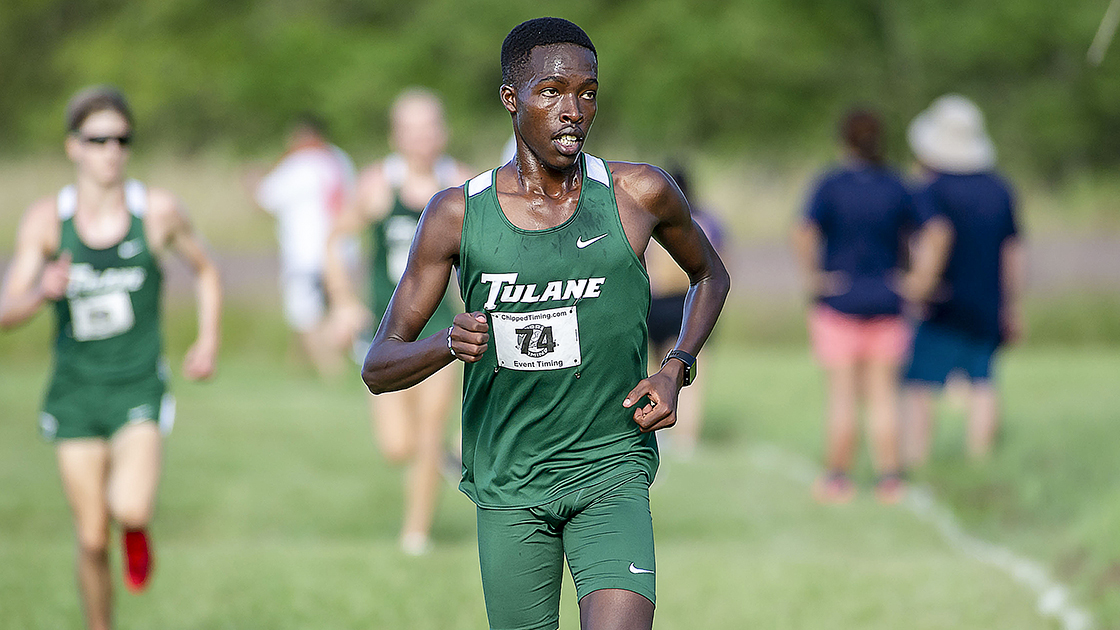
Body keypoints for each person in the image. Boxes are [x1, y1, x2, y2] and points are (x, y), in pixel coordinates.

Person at [360, 17, 729, 630]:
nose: (573, 111)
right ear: (512, 99)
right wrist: (448, 343)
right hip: (510, 477)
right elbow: (379, 366)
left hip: (610, 464)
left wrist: (676, 367)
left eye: (588, 93)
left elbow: (710, 276)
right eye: (552, 92)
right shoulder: (458, 214)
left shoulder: (638, 193)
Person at [0, 86, 221, 630]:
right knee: (93, 536)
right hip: (74, 394)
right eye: (97, 140)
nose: (111, 151)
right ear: (73, 147)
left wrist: (208, 339)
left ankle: (138, 531)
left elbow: (206, 271)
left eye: (121, 140)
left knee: (131, 508)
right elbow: (6, 310)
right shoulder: (47, 220)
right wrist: (42, 291)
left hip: (137, 386)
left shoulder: (156, 211)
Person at [324, 88, 474, 555]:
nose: (421, 138)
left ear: (443, 132)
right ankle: (440, 460)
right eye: (411, 129)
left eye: (429, 127)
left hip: (441, 326)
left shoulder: (463, 185)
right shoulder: (377, 186)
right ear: (395, 136)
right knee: (396, 445)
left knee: (430, 430)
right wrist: (343, 302)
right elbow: (334, 242)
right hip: (386, 330)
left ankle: (415, 535)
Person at [792, 108, 950, 504]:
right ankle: (890, 480)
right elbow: (937, 231)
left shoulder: (830, 184)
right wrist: (921, 281)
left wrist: (813, 276)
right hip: (888, 301)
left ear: (844, 141)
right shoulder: (897, 186)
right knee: (883, 397)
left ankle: (837, 479)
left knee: (842, 397)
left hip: (839, 301)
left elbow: (803, 230)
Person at [902, 94, 1025, 465]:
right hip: (988, 300)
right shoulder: (1000, 189)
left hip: (941, 300)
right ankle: (980, 458)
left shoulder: (929, 189)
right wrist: (1012, 305)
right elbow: (1012, 251)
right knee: (983, 381)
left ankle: (916, 457)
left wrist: (919, 286)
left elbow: (931, 240)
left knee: (920, 383)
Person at [248, 113, 356, 378]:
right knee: (332, 310)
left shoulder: (297, 164)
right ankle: (299, 368)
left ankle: (333, 374)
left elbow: (265, 198)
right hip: (341, 250)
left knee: (305, 315)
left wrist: (251, 180)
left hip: (306, 252)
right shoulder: (340, 159)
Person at [644, 164, 725, 459]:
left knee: (658, 368)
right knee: (689, 372)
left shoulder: (648, 217)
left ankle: (659, 430)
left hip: (655, 302)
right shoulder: (704, 220)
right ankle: (686, 439)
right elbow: (718, 266)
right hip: (689, 300)